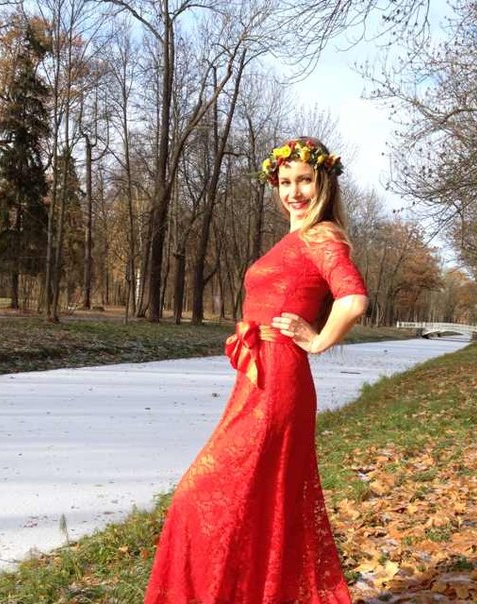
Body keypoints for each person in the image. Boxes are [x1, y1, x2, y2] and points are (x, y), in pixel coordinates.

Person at [144, 137, 369, 604]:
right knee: (254, 505)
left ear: (324, 182)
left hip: (279, 383)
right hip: (257, 379)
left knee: (198, 497)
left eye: (304, 180)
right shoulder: (295, 239)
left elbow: (353, 299)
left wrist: (317, 340)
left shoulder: (322, 237)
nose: (294, 192)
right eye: (285, 182)